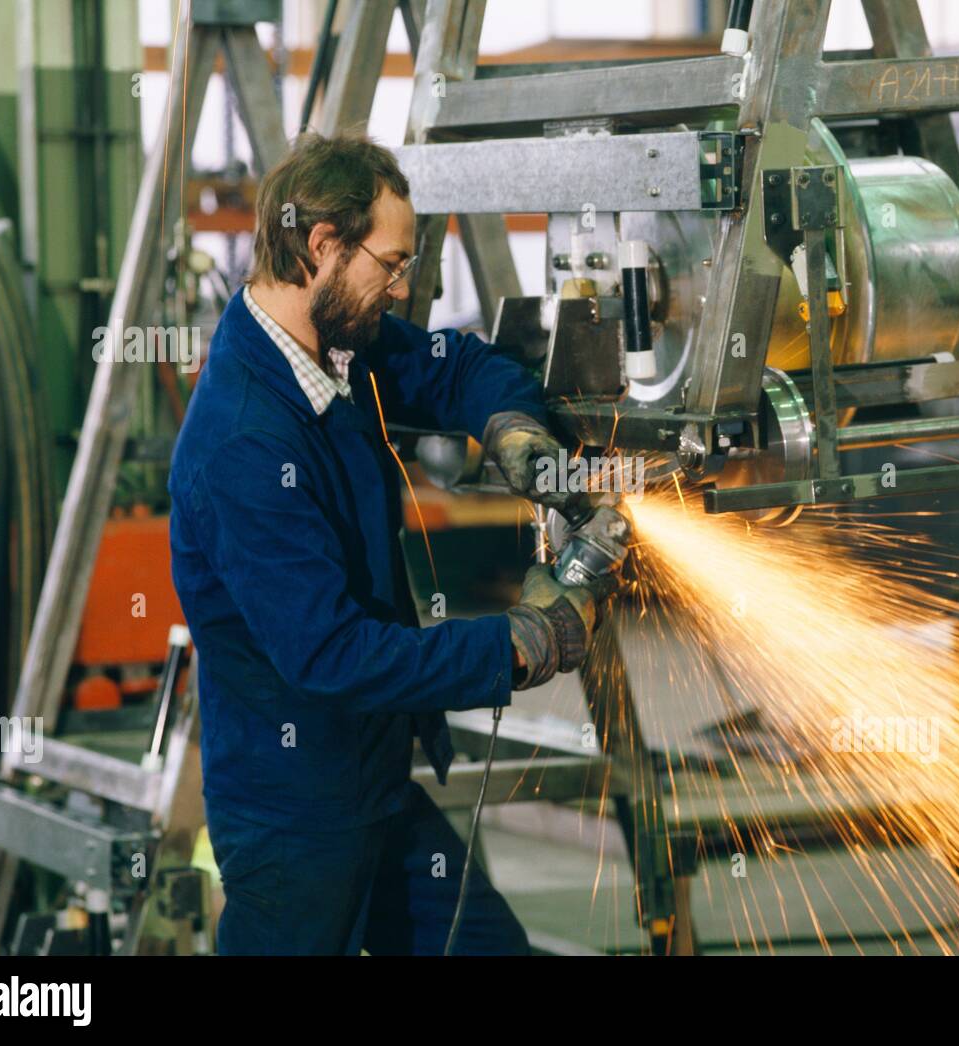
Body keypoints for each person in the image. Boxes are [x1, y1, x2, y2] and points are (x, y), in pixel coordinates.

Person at [168, 132, 605, 955]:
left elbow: (455, 366)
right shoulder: (243, 443)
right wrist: (519, 646)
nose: (401, 291)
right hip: (294, 820)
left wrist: (511, 429)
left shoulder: (336, 344)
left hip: (374, 784)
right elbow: (331, 655)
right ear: (322, 246)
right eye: (392, 265)